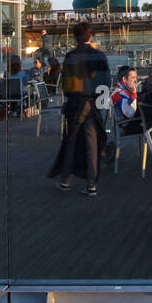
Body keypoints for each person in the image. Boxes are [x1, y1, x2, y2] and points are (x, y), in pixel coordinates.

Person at [48, 21, 111, 196]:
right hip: (92, 104)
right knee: (92, 144)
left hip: (75, 105)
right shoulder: (99, 56)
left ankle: (65, 180)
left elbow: (67, 85)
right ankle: (92, 184)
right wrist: (101, 106)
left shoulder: (70, 56)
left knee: (70, 142)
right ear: (90, 36)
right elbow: (105, 82)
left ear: (75, 37)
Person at [111, 66, 141, 135]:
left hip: (124, 123)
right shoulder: (121, 95)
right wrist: (133, 94)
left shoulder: (118, 91)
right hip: (126, 126)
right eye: (133, 78)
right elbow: (130, 114)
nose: (136, 80)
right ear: (124, 79)